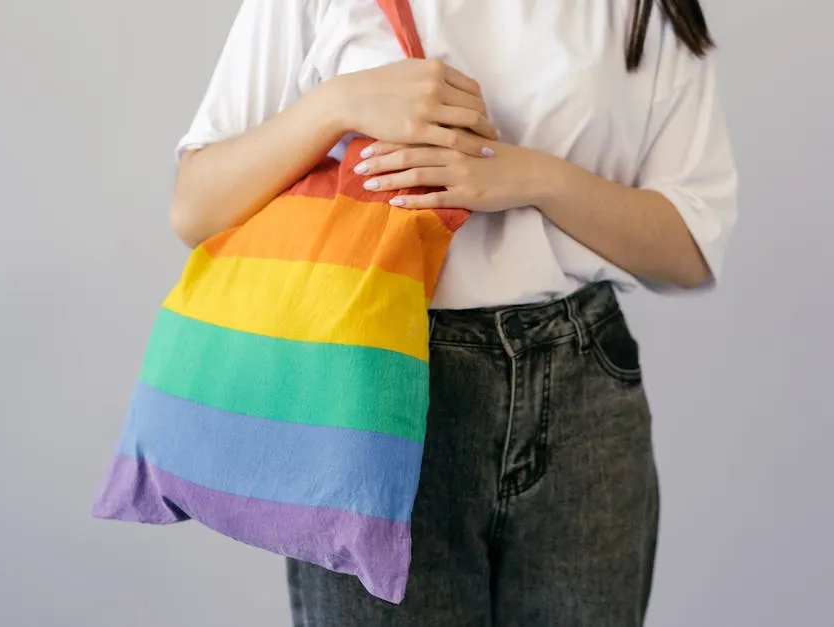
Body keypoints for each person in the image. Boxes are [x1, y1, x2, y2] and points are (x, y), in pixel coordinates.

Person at [169, 0, 738, 625]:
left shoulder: (639, 9)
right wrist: (335, 104)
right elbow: (197, 207)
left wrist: (533, 178)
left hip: (583, 394)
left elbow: (688, 250)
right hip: (376, 386)